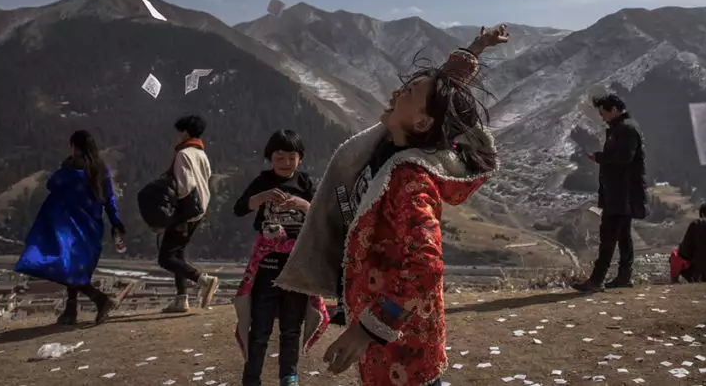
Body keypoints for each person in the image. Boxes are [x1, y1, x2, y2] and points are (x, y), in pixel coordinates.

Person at [275, 25, 510, 386]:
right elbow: (444, 84)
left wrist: (368, 329)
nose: (397, 91)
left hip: (403, 341)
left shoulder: (410, 181)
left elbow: (425, 267)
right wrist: (477, 46)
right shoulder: (394, 142)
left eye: (409, 92)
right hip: (388, 326)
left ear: (421, 122)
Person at [233, 129, 329, 386]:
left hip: (297, 266)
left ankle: (289, 376)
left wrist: (303, 205)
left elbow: (324, 215)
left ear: (300, 158)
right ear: (270, 158)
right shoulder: (262, 182)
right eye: (279, 158)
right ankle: (251, 378)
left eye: (291, 158)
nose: (285, 163)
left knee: (291, 328)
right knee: (260, 330)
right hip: (267, 266)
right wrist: (262, 197)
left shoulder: (306, 184)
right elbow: (239, 208)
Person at [15, 130, 125, 326]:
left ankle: (100, 300)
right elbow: (109, 199)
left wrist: (66, 164)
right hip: (91, 227)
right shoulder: (100, 169)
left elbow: (52, 183)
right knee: (74, 267)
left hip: (70, 228)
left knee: (67, 267)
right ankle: (71, 310)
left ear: (75, 147)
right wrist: (116, 222)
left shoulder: (70, 171)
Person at [571, 93, 647, 292]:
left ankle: (596, 280)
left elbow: (623, 159)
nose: (602, 117)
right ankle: (624, 277)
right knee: (623, 236)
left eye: (603, 112)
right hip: (620, 193)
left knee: (608, 236)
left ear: (614, 110)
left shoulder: (626, 130)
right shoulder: (620, 130)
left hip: (621, 194)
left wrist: (600, 158)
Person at [158, 114, 220, 313]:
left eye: (179, 133)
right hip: (199, 210)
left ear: (184, 132)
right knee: (178, 254)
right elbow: (206, 177)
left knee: (166, 258)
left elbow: (185, 186)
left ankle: (203, 280)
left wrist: (172, 207)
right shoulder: (202, 153)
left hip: (184, 211)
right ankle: (181, 298)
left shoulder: (183, 154)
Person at [670, 202, 706, 283]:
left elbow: (685, 251)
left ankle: (675, 281)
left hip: (699, 269)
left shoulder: (696, 225)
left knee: (674, 257)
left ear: (702, 214)